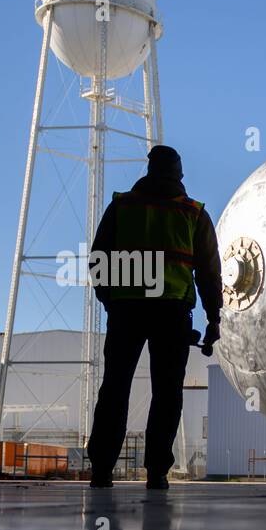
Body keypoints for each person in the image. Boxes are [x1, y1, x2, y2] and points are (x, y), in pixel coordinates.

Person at [85, 145, 221, 490]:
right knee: (167, 392)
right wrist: (214, 318)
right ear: (178, 173)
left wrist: (110, 302)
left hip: (127, 310)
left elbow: (98, 260)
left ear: (148, 171)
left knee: (115, 389)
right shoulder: (194, 214)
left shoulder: (123, 206)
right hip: (172, 313)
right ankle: (157, 472)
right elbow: (208, 272)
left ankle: (101, 470)